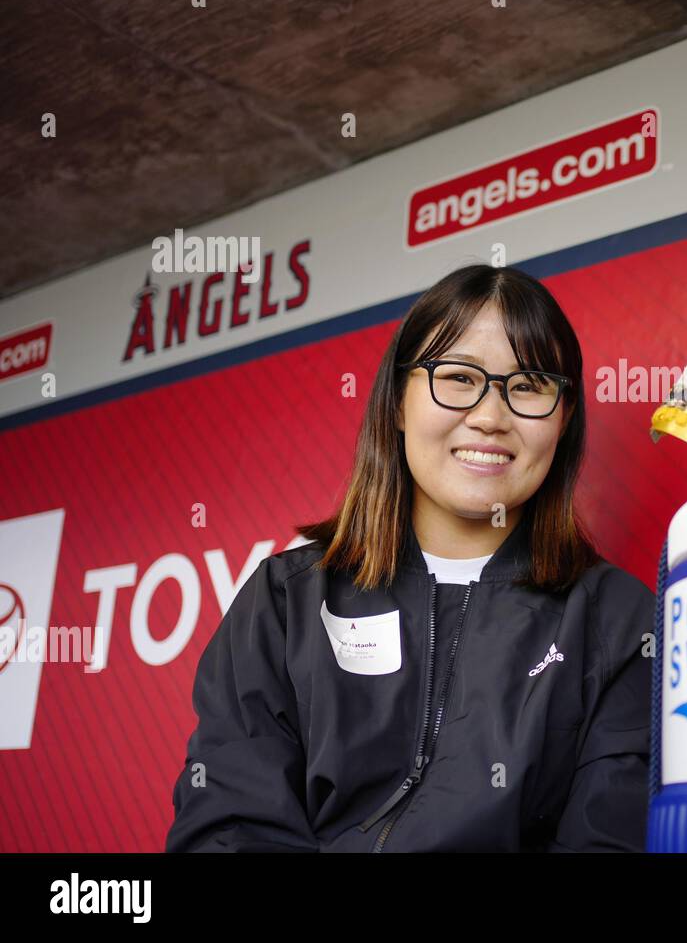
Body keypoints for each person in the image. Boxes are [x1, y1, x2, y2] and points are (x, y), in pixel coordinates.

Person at [165, 263, 656, 852]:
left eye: (527, 386)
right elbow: (228, 827)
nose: (490, 417)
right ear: (398, 402)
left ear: (564, 417)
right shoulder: (286, 600)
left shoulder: (622, 623)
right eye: (457, 377)